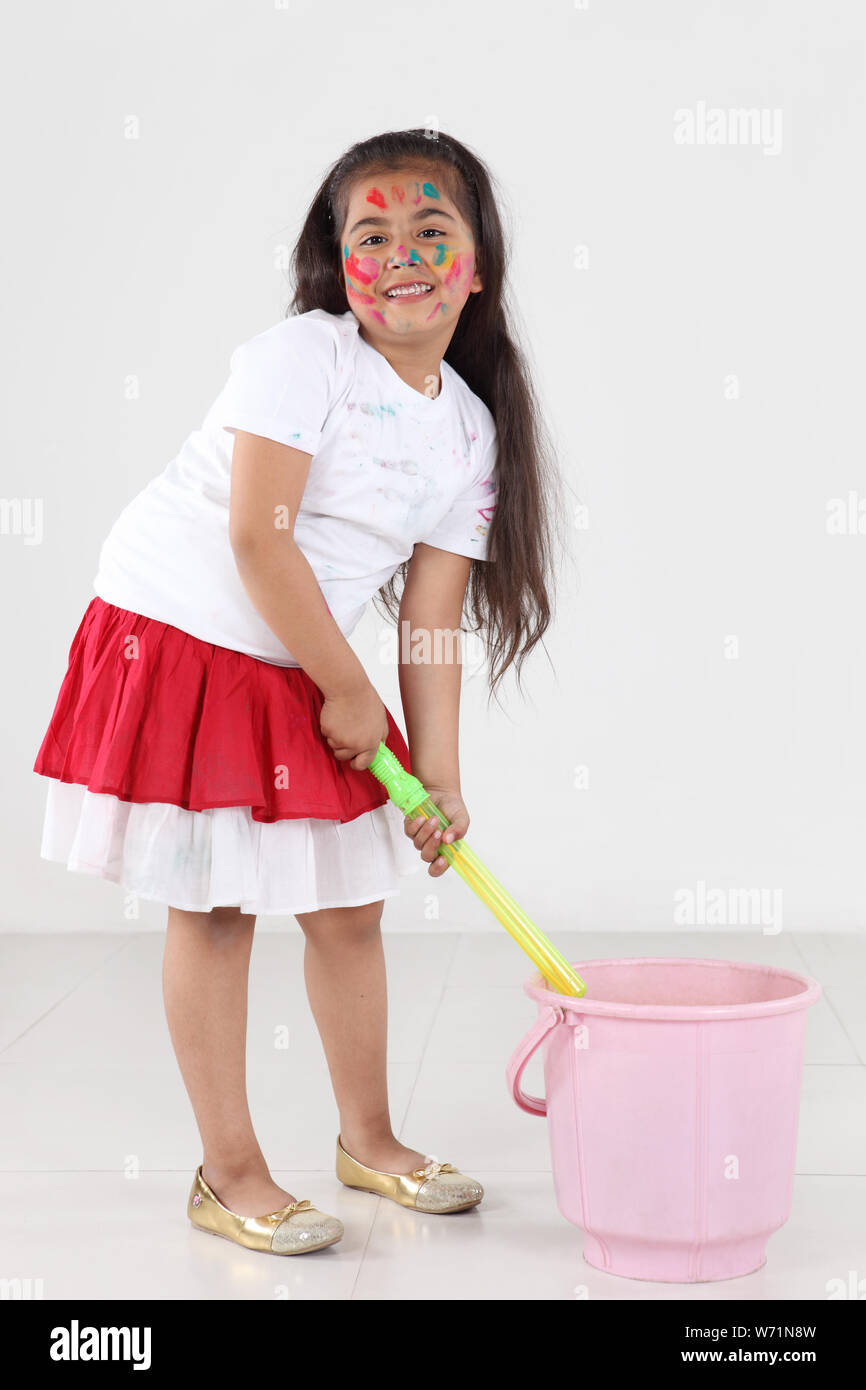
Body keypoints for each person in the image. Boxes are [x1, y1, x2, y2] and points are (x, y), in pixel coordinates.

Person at [32, 128, 558, 1256]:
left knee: (347, 905)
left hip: (300, 653)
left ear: (478, 264)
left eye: (431, 229)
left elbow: (427, 619)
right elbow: (259, 544)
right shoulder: (300, 358)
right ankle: (228, 1173)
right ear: (337, 265)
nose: (401, 253)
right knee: (217, 904)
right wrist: (349, 689)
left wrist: (440, 777)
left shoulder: (467, 432)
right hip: (183, 631)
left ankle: (367, 1138)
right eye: (371, 235)